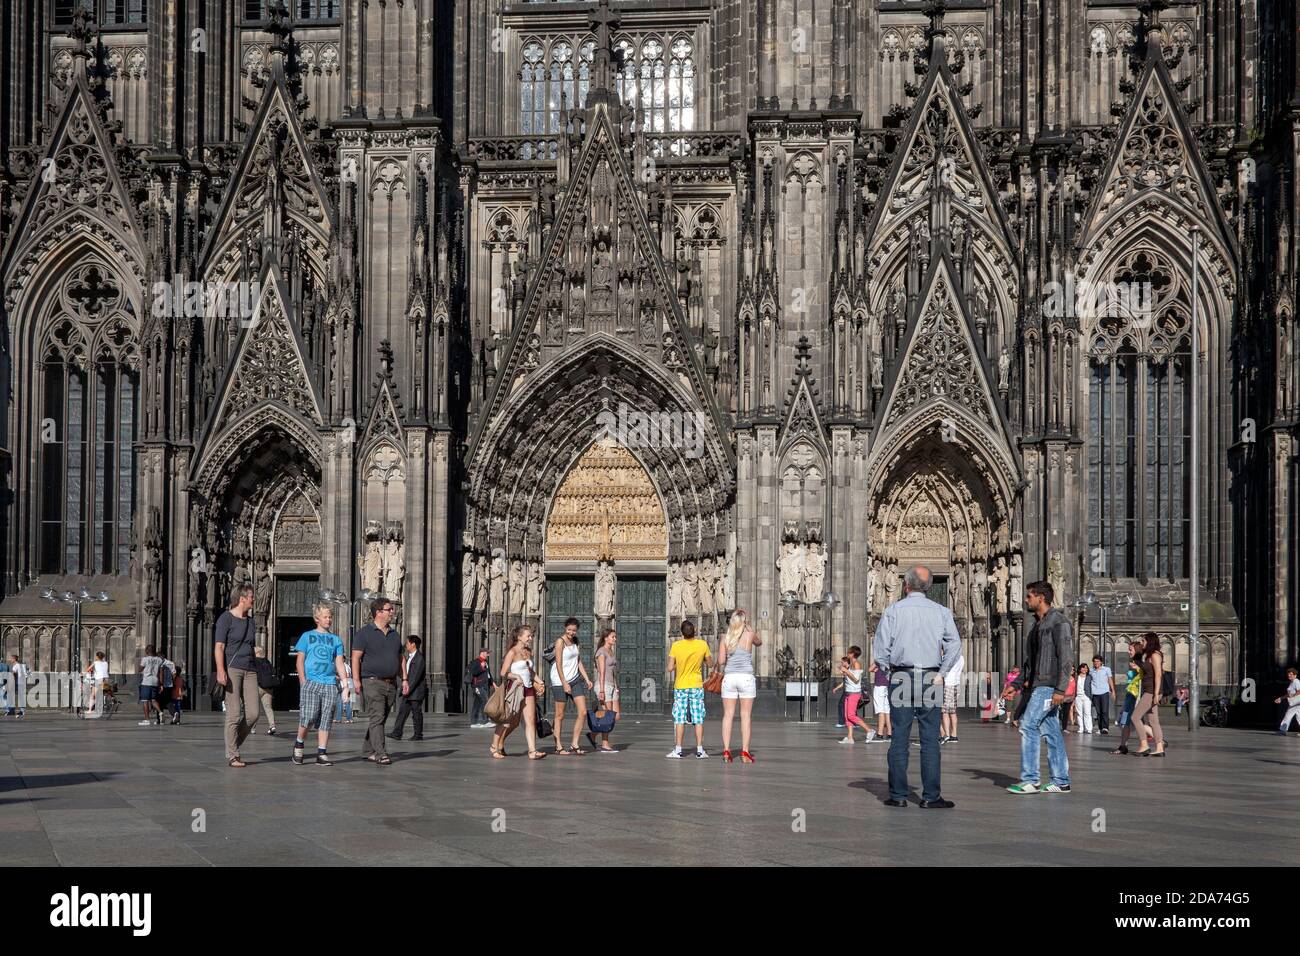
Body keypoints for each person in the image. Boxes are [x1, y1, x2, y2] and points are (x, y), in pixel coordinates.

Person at [872, 566, 961, 809]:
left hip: (902, 675)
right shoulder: (941, 611)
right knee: (930, 738)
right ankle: (931, 797)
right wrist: (942, 673)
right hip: (931, 676)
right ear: (929, 587)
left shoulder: (893, 611)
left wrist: (891, 672)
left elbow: (880, 650)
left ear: (905, 585)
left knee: (899, 736)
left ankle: (899, 795)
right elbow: (955, 645)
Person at [1006, 581, 1073, 794]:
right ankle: (1061, 781)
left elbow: (1066, 658)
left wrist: (1061, 689)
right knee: (1051, 732)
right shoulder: (1038, 624)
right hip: (1039, 684)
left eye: (1029, 596)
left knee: (1027, 724)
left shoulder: (1058, 622)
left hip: (1048, 685)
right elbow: (1031, 663)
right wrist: (1016, 684)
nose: (1026, 600)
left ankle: (1030, 779)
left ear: (1040, 598)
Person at [291, 602, 347, 766]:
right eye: (325, 617)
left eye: (330, 617)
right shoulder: (307, 636)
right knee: (308, 717)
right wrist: (303, 681)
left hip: (330, 683)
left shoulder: (336, 639)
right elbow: (300, 660)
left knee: (326, 718)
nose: (329, 619)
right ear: (317, 619)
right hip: (311, 682)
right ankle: (299, 743)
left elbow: (339, 663)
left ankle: (321, 752)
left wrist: (345, 685)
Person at [352, 598, 403, 765]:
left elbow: (400, 657)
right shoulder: (364, 633)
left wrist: (405, 679)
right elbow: (356, 657)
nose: (392, 612)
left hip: (391, 683)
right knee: (378, 717)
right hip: (372, 682)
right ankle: (381, 753)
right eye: (389, 609)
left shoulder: (395, 634)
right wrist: (356, 680)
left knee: (379, 718)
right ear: (378, 612)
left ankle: (368, 750)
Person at [215, 585, 261, 767]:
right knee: (234, 714)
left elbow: (251, 645)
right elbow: (219, 646)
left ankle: (233, 744)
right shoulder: (226, 619)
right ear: (242, 598)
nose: (253, 600)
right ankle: (233, 754)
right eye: (251, 596)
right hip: (232, 668)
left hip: (250, 669)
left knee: (253, 714)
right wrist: (221, 670)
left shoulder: (251, 621)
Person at [493, 625, 546, 759]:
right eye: (528, 636)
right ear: (519, 637)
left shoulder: (528, 651)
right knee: (509, 721)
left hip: (528, 688)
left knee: (530, 720)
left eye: (531, 636)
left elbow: (531, 672)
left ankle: (532, 751)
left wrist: (540, 682)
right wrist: (516, 676)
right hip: (514, 689)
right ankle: (496, 745)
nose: (530, 638)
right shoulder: (512, 652)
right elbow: (503, 673)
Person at [718, 610, 763, 761]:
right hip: (746, 678)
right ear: (744, 621)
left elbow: (721, 662)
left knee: (728, 715)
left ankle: (726, 751)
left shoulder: (725, 637)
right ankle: (744, 752)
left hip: (729, 677)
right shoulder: (749, 635)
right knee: (745, 716)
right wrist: (750, 629)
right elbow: (759, 642)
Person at [666, 619, 711, 759]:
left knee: (679, 718)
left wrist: (678, 664)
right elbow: (710, 664)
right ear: (695, 631)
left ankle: (678, 750)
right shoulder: (702, 645)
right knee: (698, 718)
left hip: (680, 686)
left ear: (681, 632)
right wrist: (702, 659)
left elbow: (669, 668)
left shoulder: (676, 646)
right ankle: (699, 750)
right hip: (696, 685)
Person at [550, 617, 594, 755]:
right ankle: (558, 746)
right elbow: (558, 663)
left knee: (583, 712)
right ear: (565, 628)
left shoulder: (575, 641)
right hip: (559, 680)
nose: (571, 632)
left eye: (574, 630)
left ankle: (575, 744)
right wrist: (564, 683)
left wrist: (587, 678)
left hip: (575, 679)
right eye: (569, 629)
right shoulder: (560, 641)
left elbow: (578, 661)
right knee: (559, 714)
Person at [1129, 632, 1166, 757]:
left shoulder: (1155, 655)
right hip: (1149, 691)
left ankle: (1144, 745)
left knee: (1135, 717)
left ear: (1149, 642)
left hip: (1151, 692)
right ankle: (1159, 747)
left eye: (1143, 641)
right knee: (1153, 721)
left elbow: (1158, 674)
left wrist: (1156, 694)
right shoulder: (1148, 655)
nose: (1142, 643)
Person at [1110, 639, 1145, 755]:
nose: (1128, 652)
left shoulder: (1141, 663)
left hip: (1136, 696)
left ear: (1137, 650)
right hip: (1130, 694)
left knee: (1136, 721)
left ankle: (1159, 740)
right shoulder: (1134, 662)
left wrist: (1137, 668)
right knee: (1125, 721)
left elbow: (1146, 674)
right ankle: (1123, 746)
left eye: (1130, 650)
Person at [389, 635, 426, 741]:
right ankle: (397, 733)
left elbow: (415, 677)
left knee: (416, 713)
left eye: (407, 643)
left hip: (415, 692)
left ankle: (418, 734)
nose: (406, 645)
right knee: (402, 712)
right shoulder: (409, 657)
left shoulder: (419, 658)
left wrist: (408, 689)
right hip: (408, 690)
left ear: (413, 644)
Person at [588, 629, 620, 753]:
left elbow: (612, 672)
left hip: (612, 685)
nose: (615, 639)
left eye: (615, 637)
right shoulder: (601, 652)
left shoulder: (610, 651)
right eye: (613, 637)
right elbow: (601, 672)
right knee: (608, 715)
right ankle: (605, 744)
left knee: (616, 716)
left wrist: (616, 687)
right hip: (604, 685)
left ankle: (593, 734)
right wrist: (601, 690)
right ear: (606, 638)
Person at [837, 645, 874, 746]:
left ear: (853, 654)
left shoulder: (857, 664)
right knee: (847, 716)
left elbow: (856, 679)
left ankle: (869, 730)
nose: (847, 654)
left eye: (849, 652)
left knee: (851, 715)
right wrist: (844, 672)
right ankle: (850, 737)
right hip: (848, 693)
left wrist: (846, 671)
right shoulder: (851, 664)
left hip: (854, 693)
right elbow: (850, 678)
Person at [138, 644, 171, 726]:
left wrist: (141, 666)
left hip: (146, 682)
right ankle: (160, 712)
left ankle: (147, 719)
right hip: (155, 682)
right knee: (153, 700)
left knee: (145, 701)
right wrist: (161, 684)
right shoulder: (159, 660)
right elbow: (161, 673)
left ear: (147, 651)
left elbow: (140, 669)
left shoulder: (145, 659)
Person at [253, 646, 279, 736]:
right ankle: (272, 726)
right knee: (268, 707)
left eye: (254, 652)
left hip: (258, 687)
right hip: (269, 688)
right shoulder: (268, 662)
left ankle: (252, 727)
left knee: (255, 708)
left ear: (258, 653)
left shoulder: (254, 661)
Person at [940, 649, 964, 744]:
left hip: (948, 684)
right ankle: (954, 735)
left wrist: (941, 656)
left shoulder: (947, 657)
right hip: (956, 684)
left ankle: (946, 735)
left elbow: (942, 669)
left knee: (945, 712)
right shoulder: (961, 657)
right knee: (953, 711)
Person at [1088, 654, 1115, 735]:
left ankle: (1105, 728)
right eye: (1094, 661)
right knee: (1098, 712)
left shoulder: (1106, 669)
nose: (1096, 663)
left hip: (1104, 692)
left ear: (1101, 662)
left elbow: (1110, 679)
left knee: (1105, 711)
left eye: (1098, 661)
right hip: (1095, 693)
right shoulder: (1091, 671)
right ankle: (1100, 728)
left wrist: (1113, 691)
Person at [468, 649, 495, 728]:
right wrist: (481, 667)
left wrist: (493, 684)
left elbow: (488, 675)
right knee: (485, 701)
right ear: (482, 653)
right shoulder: (476, 662)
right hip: (477, 686)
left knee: (477, 703)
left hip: (484, 685)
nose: (488, 655)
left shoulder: (486, 662)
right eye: (487, 653)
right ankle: (485, 721)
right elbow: (473, 672)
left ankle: (474, 722)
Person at [869, 660, 891, 740]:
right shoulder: (889, 660)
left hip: (879, 686)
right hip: (886, 686)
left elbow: (870, 669)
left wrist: (876, 662)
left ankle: (880, 734)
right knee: (887, 710)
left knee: (880, 710)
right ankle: (889, 733)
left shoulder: (879, 660)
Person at [84, 651, 110, 718]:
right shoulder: (106, 663)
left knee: (92, 695)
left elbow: (88, 669)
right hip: (106, 679)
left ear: (97, 657)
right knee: (102, 692)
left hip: (99, 679)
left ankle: (90, 710)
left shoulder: (95, 663)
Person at [1276, 666, 1300, 734]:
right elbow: (1288, 694)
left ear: (1295, 675)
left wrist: (1293, 695)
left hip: (1295, 702)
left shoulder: (1296, 681)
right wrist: (1281, 698)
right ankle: (1283, 730)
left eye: (1291, 674)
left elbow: (1299, 691)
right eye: (1288, 674)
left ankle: (1283, 731)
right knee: (1299, 717)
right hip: (1295, 703)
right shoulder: (1292, 683)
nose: (1289, 675)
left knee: (1288, 715)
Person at [1072, 664, 1093, 734]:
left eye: (1086, 668)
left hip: (1086, 696)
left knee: (1087, 713)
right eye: (1083, 668)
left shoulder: (1089, 677)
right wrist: (1074, 698)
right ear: (1080, 669)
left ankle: (1089, 728)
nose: (1085, 670)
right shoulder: (1076, 677)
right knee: (1079, 713)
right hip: (1078, 696)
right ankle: (1081, 727)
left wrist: (1091, 696)